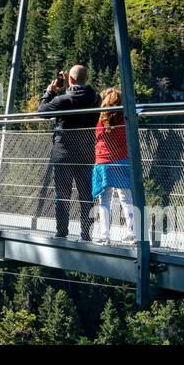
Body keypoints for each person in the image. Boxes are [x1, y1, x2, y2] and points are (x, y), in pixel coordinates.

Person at [37, 64, 100, 240]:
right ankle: (86, 234)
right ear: (86, 78)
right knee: (86, 195)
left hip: (63, 152)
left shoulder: (63, 100)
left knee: (62, 195)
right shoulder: (96, 98)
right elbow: (81, 97)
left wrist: (50, 92)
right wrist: (70, 87)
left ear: (70, 79)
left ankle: (61, 232)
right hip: (86, 152)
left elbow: (42, 111)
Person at [93, 87, 136, 245]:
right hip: (121, 160)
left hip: (103, 161)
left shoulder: (101, 121)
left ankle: (105, 235)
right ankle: (133, 233)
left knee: (105, 199)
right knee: (126, 197)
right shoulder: (125, 119)